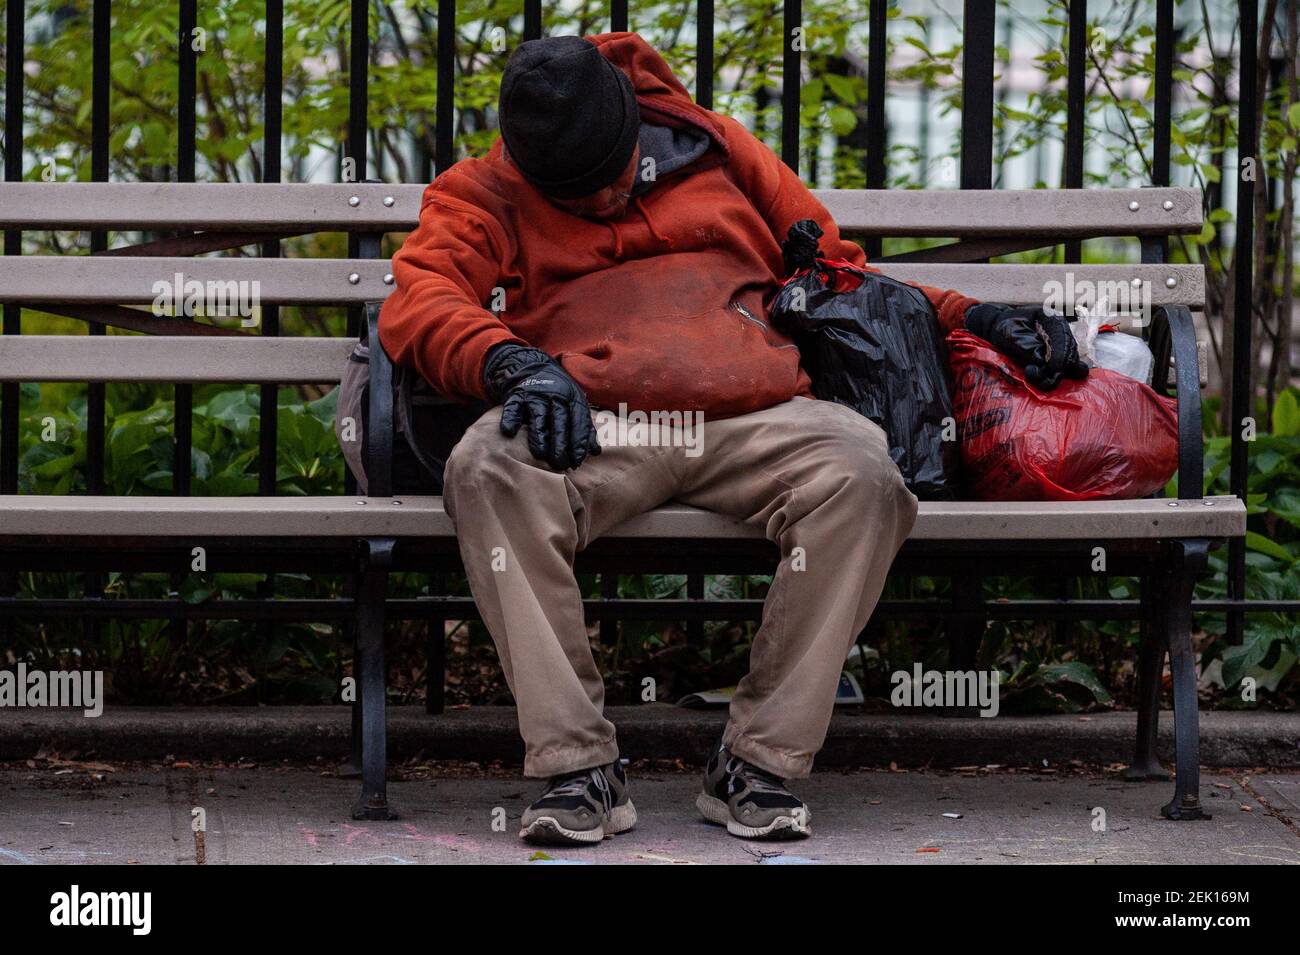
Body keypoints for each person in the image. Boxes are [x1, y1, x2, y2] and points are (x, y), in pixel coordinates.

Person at [379, 31, 979, 845]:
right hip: (595, 426)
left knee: (863, 474)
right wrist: (510, 363)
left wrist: (971, 317)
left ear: (633, 131)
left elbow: (842, 275)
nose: (595, 205)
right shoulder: (486, 188)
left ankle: (758, 763)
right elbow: (419, 299)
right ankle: (577, 765)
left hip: (756, 415)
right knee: (487, 465)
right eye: (571, 194)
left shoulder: (722, 149)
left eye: (606, 181)